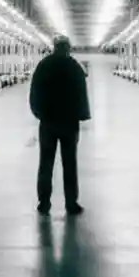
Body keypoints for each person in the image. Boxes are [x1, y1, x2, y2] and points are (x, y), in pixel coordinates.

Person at [29, 34, 91, 215]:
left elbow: (34, 93)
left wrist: (39, 114)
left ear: (54, 47)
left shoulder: (44, 65)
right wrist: (82, 115)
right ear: (68, 48)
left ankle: (44, 202)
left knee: (46, 163)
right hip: (69, 124)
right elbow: (82, 94)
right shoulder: (74, 67)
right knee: (69, 164)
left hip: (48, 123)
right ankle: (71, 203)